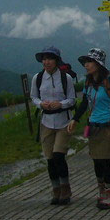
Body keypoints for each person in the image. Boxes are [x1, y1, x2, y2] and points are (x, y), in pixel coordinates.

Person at [68, 47, 110, 209]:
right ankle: (103, 192)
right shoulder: (88, 82)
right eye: (86, 62)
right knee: (97, 161)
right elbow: (84, 103)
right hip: (93, 127)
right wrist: (75, 119)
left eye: (90, 62)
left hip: (108, 127)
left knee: (104, 161)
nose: (87, 65)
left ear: (98, 64)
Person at [31, 45, 77, 205]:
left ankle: (65, 188)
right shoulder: (37, 78)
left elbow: (72, 99)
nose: (46, 62)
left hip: (63, 121)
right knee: (50, 159)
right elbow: (34, 98)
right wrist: (41, 104)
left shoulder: (66, 78)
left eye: (49, 58)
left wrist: (60, 104)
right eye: (44, 59)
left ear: (57, 61)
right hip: (46, 122)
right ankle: (55, 189)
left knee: (59, 156)